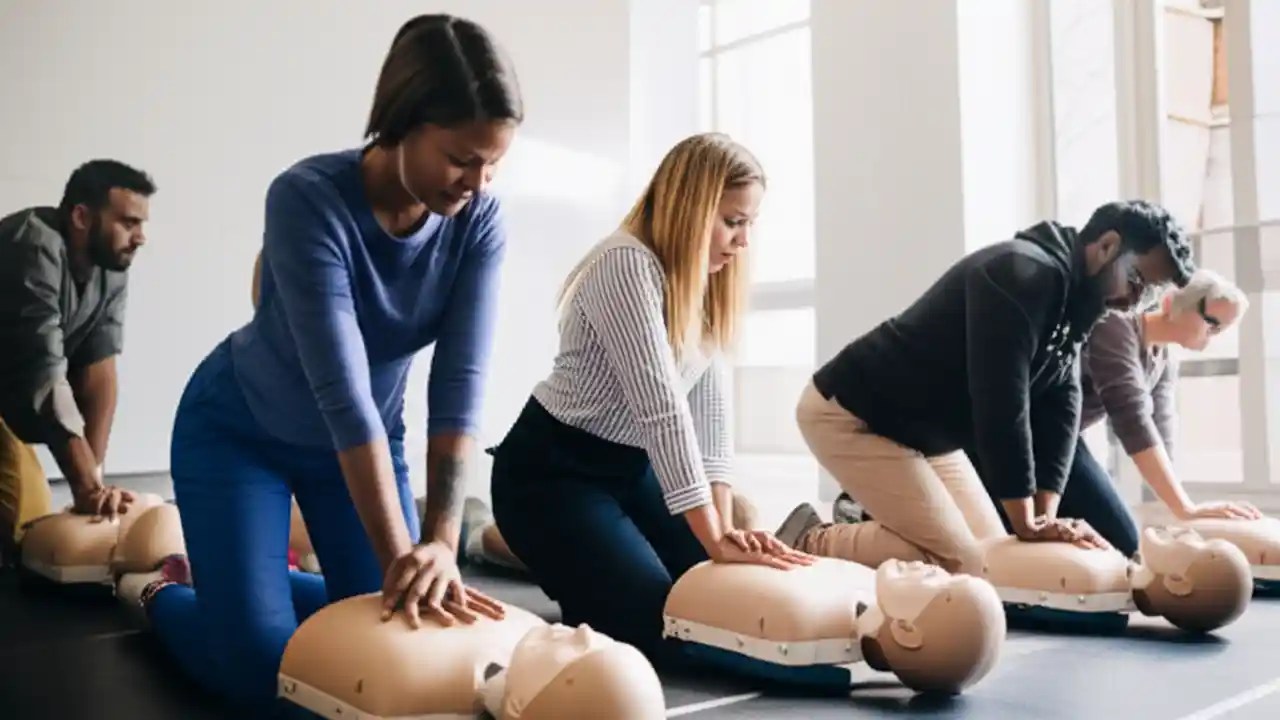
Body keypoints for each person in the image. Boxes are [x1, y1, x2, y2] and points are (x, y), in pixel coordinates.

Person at [113, 15, 523, 713]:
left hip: (360, 451)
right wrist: (400, 560)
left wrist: (440, 544)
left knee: (401, 621)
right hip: (239, 436)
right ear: (400, 124)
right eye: (461, 158)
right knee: (261, 670)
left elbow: (458, 389)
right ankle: (168, 590)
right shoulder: (307, 199)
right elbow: (344, 394)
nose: (478, 183)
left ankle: (242, 579)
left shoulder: (478, 222)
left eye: (494, 162)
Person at [489, 133, 813, 667]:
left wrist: (724, 531)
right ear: (691, 209)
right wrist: (712, 537)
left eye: (749, 223)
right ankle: (499, 541)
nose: (743, 241)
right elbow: (661, 408)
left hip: (632, 472)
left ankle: (533, 551)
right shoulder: (625, 264)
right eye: (733, 221)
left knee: (714, 596)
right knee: (654, 623)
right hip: (550, 475)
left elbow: (709, 412)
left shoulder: (705, 279)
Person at [775, 201, 1195, 573]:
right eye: (1138, 281)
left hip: (927, 438)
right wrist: (1026, 520)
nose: (1134, 303)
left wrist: (1044, 516)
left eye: (1150, 295)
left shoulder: (1077, 303)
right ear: (1106, 247)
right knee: (959, 561)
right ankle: (813, 535)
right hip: (852, 417)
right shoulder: (1021, 274)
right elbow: (1001, 403)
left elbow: (1061, 405)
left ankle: (881, 517)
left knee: (994, 559)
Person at [0, 160, 155, 560]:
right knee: (17, 516)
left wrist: (96, 482)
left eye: (142, 224)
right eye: (128, 222)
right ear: (82, 216)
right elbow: (45, 375)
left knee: (30, 526)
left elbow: (99, 372)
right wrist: (85, 487)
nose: (140, 237)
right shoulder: (32, 247)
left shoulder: (112, 265)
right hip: (19, 390)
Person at [1067, 268, 1260, 557]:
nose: (1213, 336)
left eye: (1221, 330)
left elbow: (1161, 428)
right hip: (1034, 431)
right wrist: (1185, 508)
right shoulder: (1115, 326)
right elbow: (1133, 420)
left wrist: (1183, 506)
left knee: (1121, 541)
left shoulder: (1165, 359)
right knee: (1122, 538)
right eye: (1211, 323)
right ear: (1170, 304)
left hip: (1065, 439)